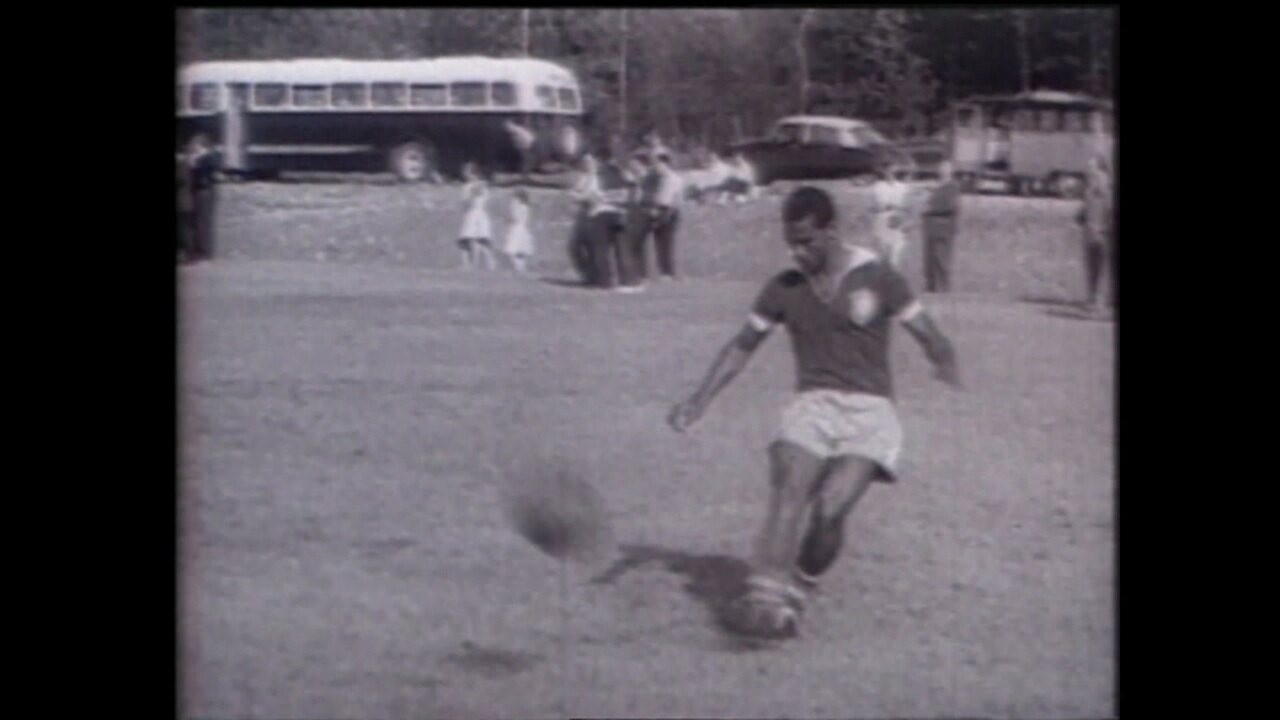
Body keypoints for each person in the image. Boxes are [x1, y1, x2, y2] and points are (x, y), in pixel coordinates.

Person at [667, 186, 961, 639]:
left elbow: (926, 330)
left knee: (829, 511)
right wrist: (698, 400)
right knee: (790, 489)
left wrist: (944, 359)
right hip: (813, 404)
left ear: (831, 231)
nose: (798, 252)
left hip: (871, 411)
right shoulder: (784, 289)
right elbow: (741, 347)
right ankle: (763, 601)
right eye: (791, 243)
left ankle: (802, 584)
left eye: (806, 241)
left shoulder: (878, 277)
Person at [1077, 155, 1114, 313]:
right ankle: (1092, 299)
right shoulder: (1089, 192)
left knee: (1103, 269)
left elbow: (1111, 214)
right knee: (1092, 268)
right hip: (1090, 235)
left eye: (1093, 170)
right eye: (1089, 171)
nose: (1090, 174)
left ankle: (1101, 302)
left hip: (1104, 235)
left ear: (1103, 172)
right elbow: (1082, 214)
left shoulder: (1108, 193)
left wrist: (1105, 229)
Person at [178, 135, 219, 263]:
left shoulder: (208, 158)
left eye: (196, 147)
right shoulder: (204, 158)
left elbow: (200, 170)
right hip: (199, 191)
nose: (194, 150)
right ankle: (199, 250)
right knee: (198, 222)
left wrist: (193, 161)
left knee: (203, 222)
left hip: (204, 191)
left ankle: (203, 251)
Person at [922, 161, 961, 293]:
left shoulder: (952, 187)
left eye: (945, 169)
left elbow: (950, 206)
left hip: (944, 226)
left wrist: (931, 209)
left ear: (950, 171)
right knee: (929, 257)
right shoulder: (936, 186)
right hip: (931, 226)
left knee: (941, 257)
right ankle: (930, 286)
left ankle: (943, 286)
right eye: (940, 169)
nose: (942, 171)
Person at [456, 162, 496, 271]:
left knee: (472, 240)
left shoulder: (471, 187)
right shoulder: (482, 186)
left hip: (474, 215)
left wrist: (471, 194)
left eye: (467, 173)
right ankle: (486, 263)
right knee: (476, 241)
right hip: (478, 215)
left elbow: (466, 202)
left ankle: (473, 265)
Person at [871, 164, 911, 269]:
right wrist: (885, 207)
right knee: (882, 254)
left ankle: (892, 279)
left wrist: (905, 221)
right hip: (882, 222)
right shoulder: (878, 187)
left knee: (895, 255)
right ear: (884, 172)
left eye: (893, 171)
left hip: (897, 221)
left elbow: (907, 206)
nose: (890, 173)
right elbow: (873, 207)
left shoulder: (902, 187)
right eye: (888, 171)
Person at [503, 188, 535, 275]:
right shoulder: (525, 207)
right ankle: (520, 267)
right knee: (518, 250)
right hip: (522, 229)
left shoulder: (521, 207)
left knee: (513, 249)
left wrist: (509, 218)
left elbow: (516, 218)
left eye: (515, 198)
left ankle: (519, 267)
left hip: (517, 229)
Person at [504, 119, 537, 185]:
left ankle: (525, 176)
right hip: (525, 147)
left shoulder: (517, 130)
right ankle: (525, 176)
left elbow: (526, 138)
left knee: (528, 161)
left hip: (527, 146)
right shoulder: (516, 131)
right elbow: (518, 141)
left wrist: (524, 146)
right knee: (526, 161)